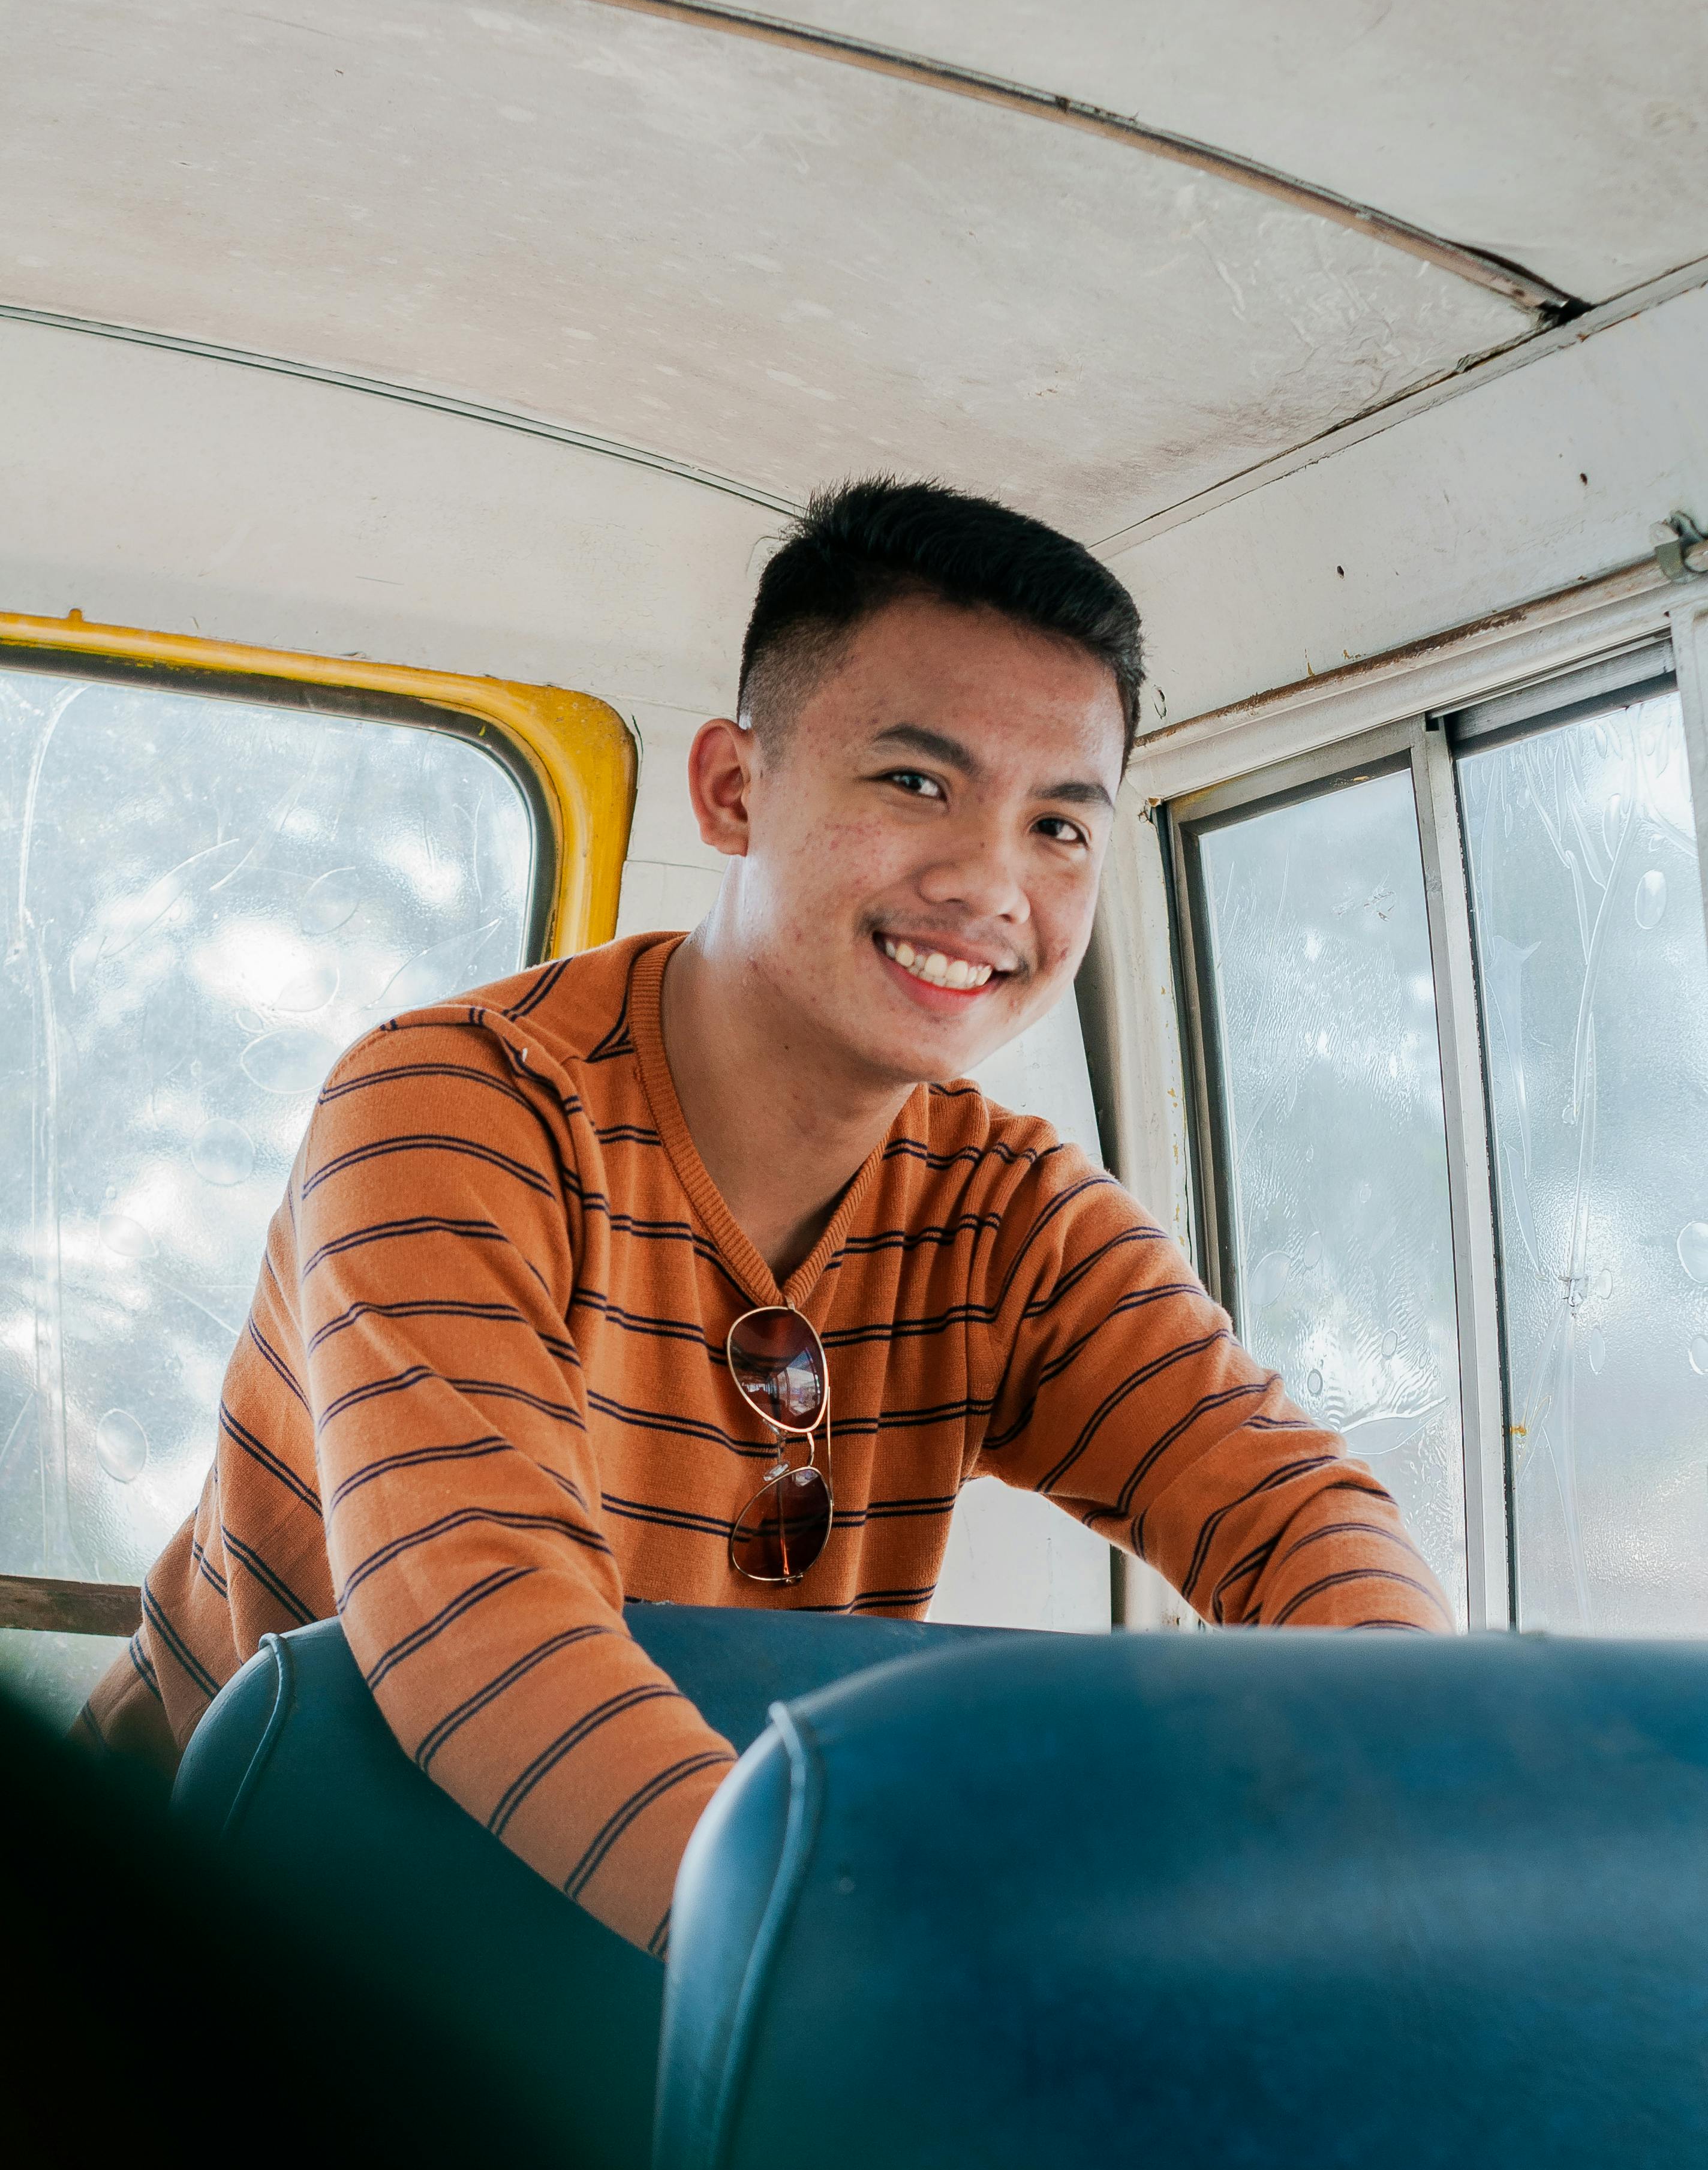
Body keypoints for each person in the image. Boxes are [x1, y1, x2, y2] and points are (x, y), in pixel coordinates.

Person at [77, 477, 1450, 1955]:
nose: (990, 883)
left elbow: (1287, 1507)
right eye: (916, 783)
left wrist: (1416, 1825)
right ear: (733, 787)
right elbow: (480, 1616)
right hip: (202, 1951)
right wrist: (846, 1987)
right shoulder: (454, 1110)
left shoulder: (1015, 1218)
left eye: (1059, 824)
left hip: (642, 1942)